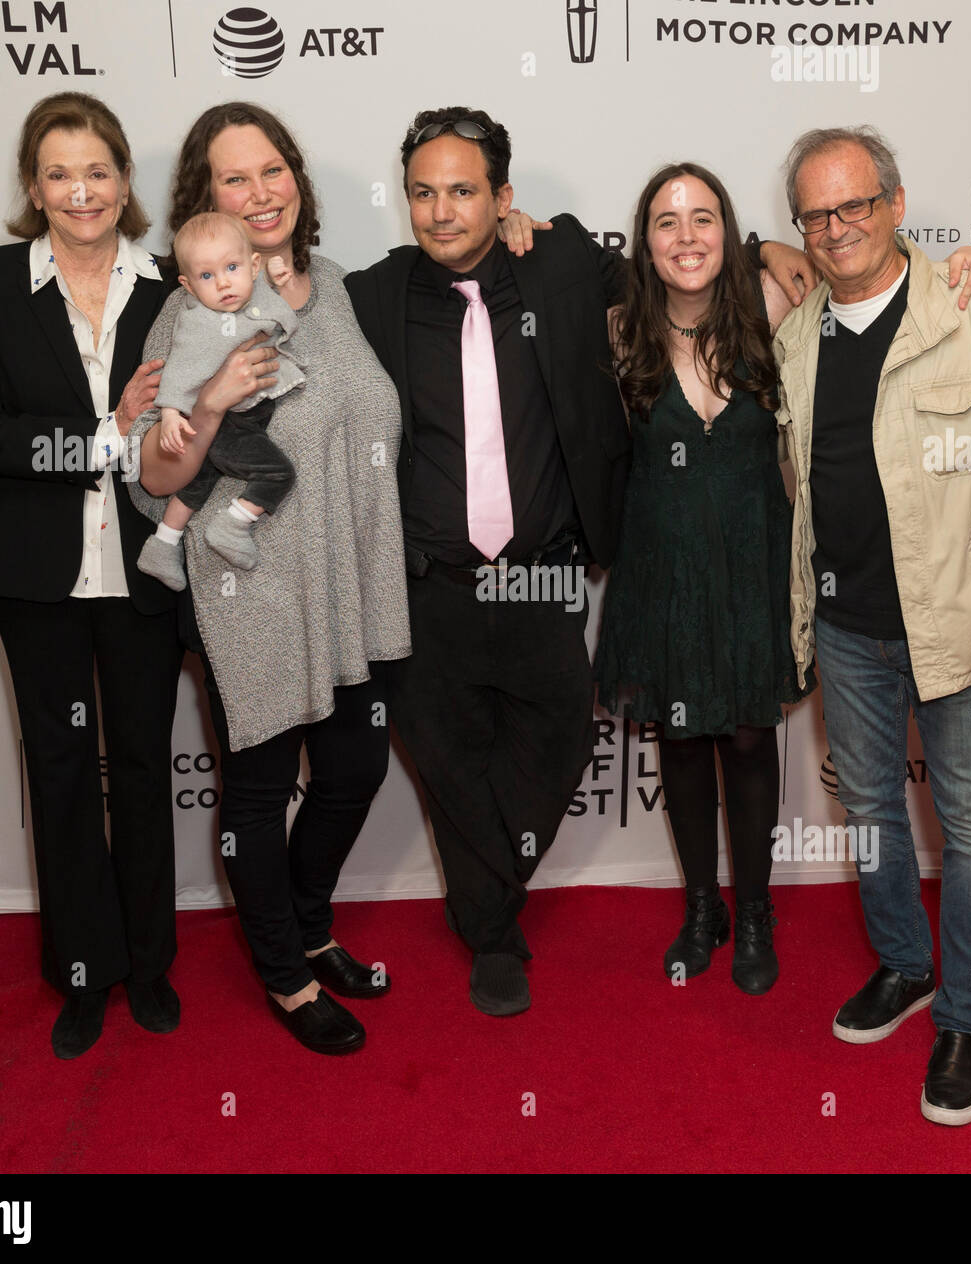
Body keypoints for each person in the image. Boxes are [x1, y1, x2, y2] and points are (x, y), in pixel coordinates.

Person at [343, 109, 810, 1017]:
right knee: (446, 761)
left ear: (504, 198)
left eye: (464, 191)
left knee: (560, 749)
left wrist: (773, 245)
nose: (442, 212)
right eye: (424, 193)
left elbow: (715, 263)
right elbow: (271, 298)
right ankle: (493, 930)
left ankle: (737, 912)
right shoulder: (376, 293)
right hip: (430, 583)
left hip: (549, 575)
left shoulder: (564, 267)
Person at [593, 164, 971, 995]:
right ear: (643, 241)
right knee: (679, 743)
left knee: (750, 741)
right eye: (667, 221)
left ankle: (755, 912)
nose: (686, 236)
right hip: (661, 574)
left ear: (730, 230)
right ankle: (699, 909)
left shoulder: (777, 312)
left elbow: (865, 259)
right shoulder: (616, 332)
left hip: (757, 570)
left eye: (704, 218)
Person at [774, 126, 971, 1124]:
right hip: (846, 628)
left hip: (959, 627)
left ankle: (965, 1013)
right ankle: (903, 964)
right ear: (801, 228)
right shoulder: (795, 335)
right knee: (868, 809)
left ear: (896, 204)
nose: (839, 227)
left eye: (856, 204)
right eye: (818, 212)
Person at [130, 103, 411, 1055]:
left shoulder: (331, 285)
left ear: (297, 178)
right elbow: (153, 475)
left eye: (273, 170)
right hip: (246, 584)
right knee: (258, 791)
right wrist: (206, 402)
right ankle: (286, 976)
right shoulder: (189, 308)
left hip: (345, 579)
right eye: (234, 179)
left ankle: (306, 921)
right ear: (204, 202)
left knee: (353, 770)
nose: (260, 192)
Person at [0, 92, 183, 1060]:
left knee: (139, 763)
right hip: (36, 570)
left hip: (142, 566)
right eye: (57, 173)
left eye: (97, 171)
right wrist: (104, 436)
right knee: (58, 772)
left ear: (125, 181)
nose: (79, 190)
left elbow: (205, 419)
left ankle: (150, 962)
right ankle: (82, 974)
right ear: (32, 188)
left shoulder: (172, 283)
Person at [137, 211, 303, 590]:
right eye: (207, 276)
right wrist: (170, 413)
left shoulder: (252, 290)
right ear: (189, 286)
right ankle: (234, 523)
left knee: (199, 480)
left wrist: (277, 281)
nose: (224, 283)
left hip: (239, 417)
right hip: (229, 423)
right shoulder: (198, 321)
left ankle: (162, 544)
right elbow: (180, 367)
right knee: (278, 472)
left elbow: (266, 300)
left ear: (253, 265)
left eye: (232, 267)